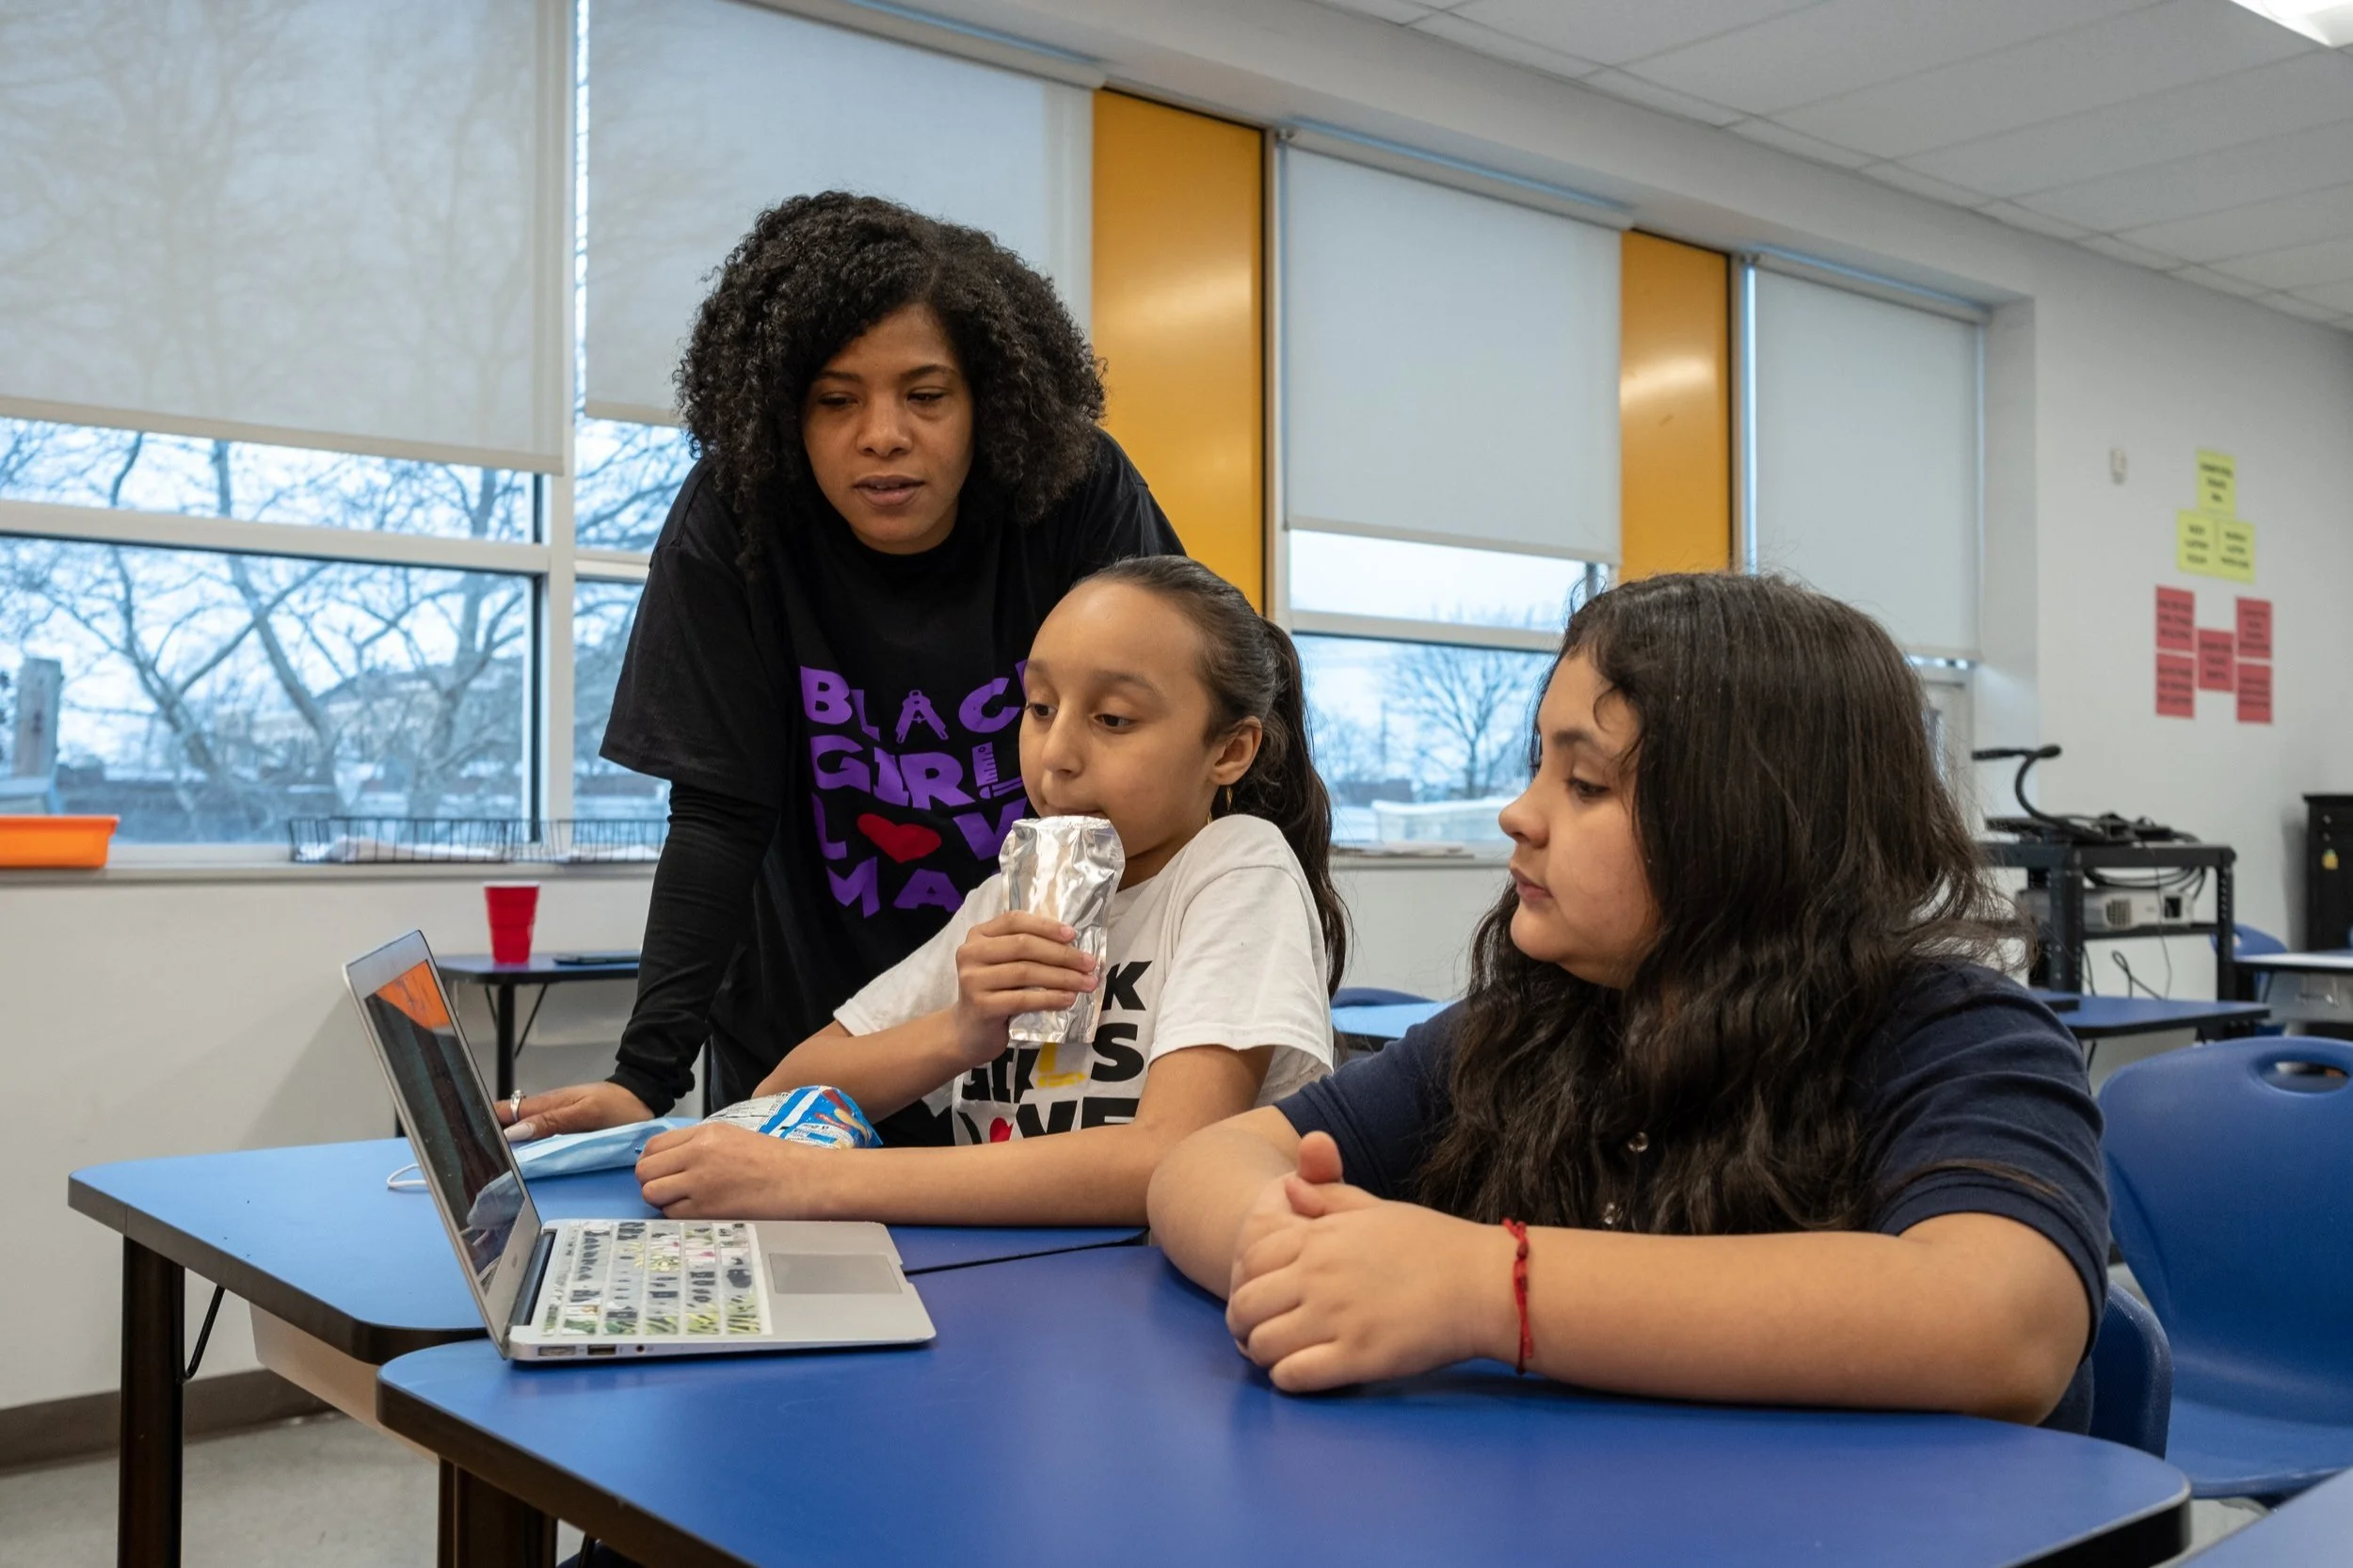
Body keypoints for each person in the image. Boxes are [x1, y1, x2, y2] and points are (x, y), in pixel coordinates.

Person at [1148, 572, 2109, 1431]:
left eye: (1584, 783)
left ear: (1746, 826)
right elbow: (1203, 1166)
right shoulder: (1532, 1026)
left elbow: (2003, 1324)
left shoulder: (1955, 1036)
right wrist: (1303, 1252)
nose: (1518, 814)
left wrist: (1485, 1286)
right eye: (1537, 767)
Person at [500, 195, 1183, 1148]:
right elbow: (718, 814)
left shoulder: (1075, 494)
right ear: (785, 413)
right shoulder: (736, 516)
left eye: (926, 395)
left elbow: (1185, 741)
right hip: (807, 1045)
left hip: (1030, 1023)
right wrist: (643, 1079)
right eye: (835, 400)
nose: (882, 434)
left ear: (988, 400)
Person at [631, 557, 1346, 1225]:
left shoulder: (1235, 865)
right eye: (1040, 708)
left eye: (1113, 719)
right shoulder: (1007, 896)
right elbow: (784, 1093)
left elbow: (1172, 1159)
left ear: (1229, 750)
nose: (1056, 756)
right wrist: (960, 1031)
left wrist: (814, 1181)